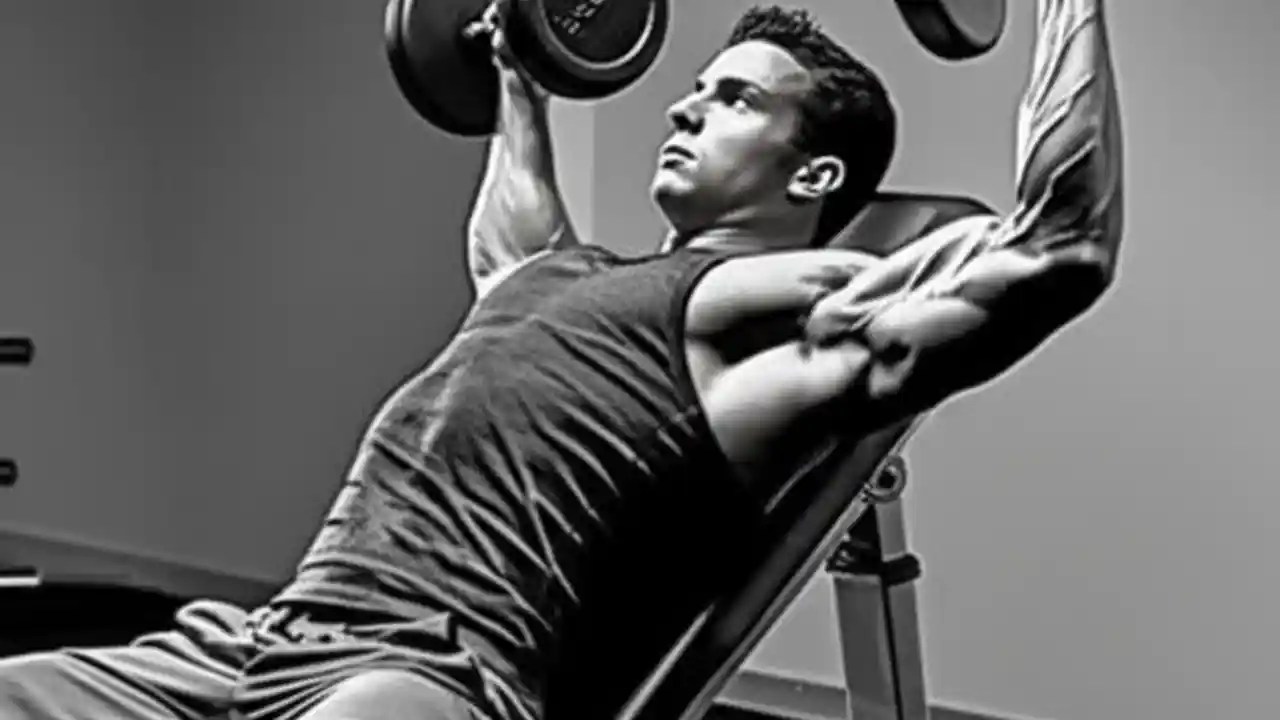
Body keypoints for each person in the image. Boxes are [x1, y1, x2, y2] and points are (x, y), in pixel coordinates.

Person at [0, 1, 1124, 719]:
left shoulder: (774, 319)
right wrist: (519, 80)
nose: (684, 104)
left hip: (420, 676)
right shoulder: (560, 273)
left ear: (815, 177)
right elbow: (507, 240)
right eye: (692, 88)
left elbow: (1059, 245)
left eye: (732, 98)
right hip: (253, 639)